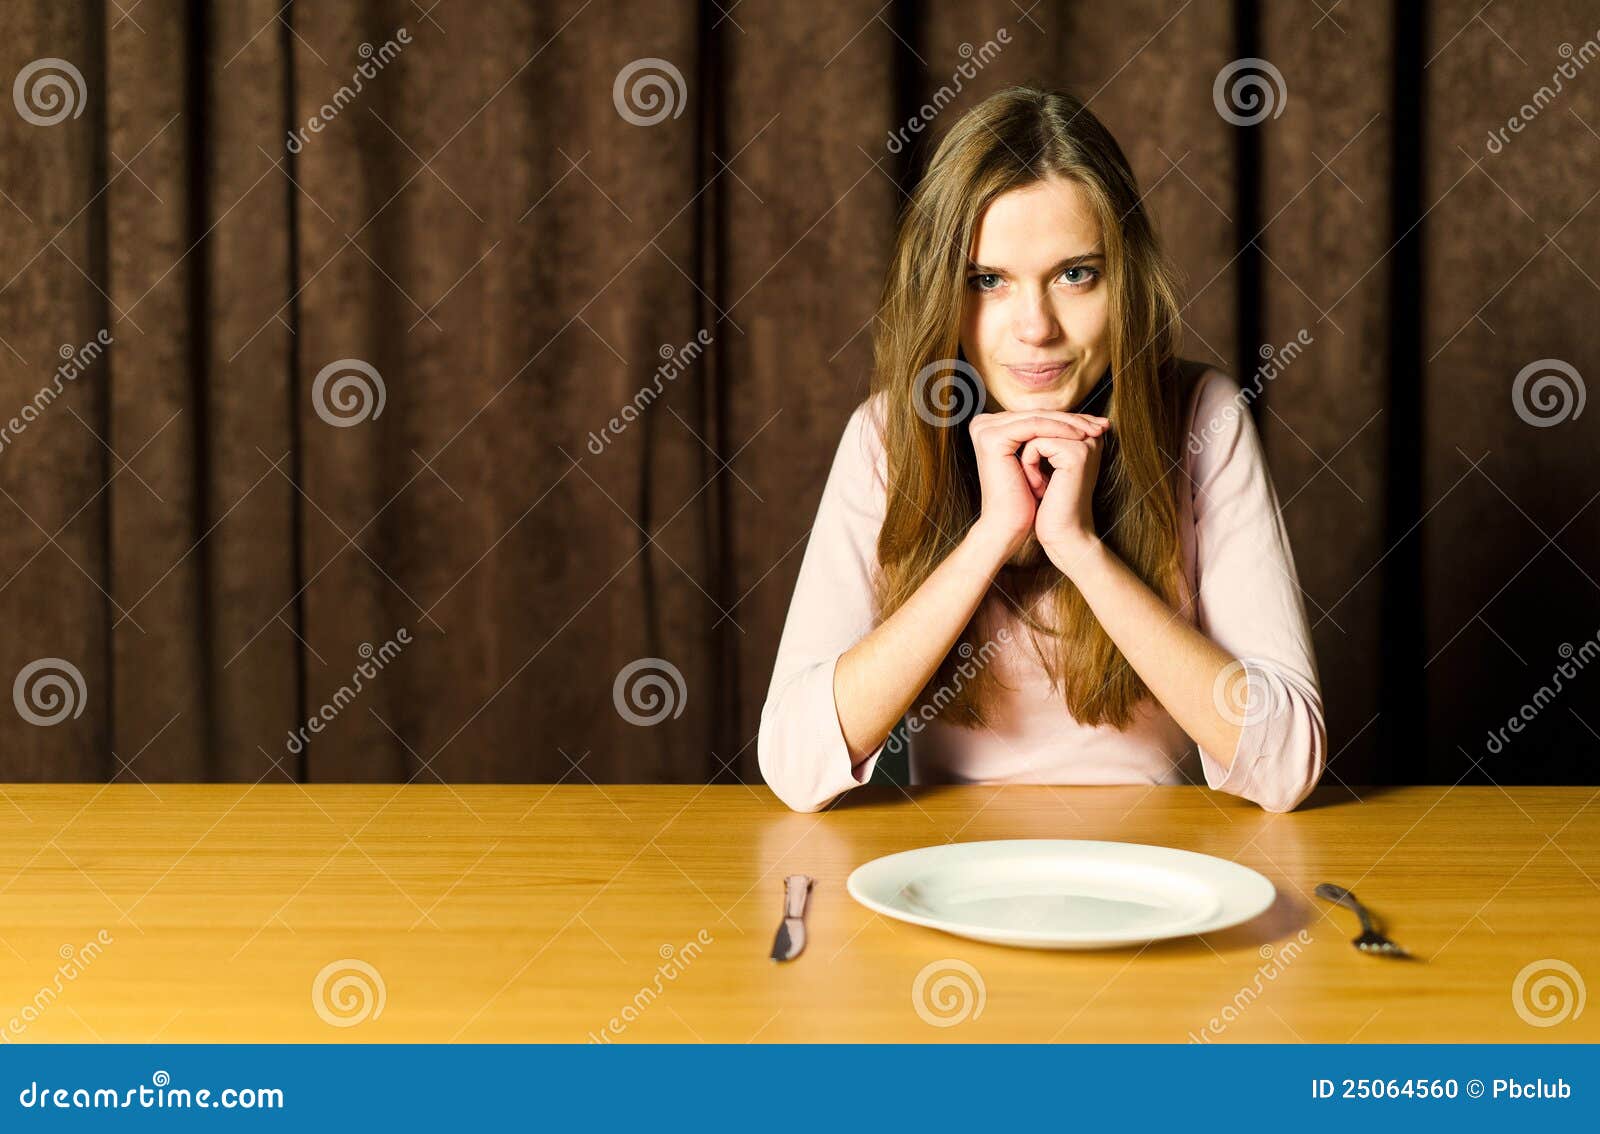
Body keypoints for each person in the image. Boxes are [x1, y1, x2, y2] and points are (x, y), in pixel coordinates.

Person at [757, 86, 1326, 814]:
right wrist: (991, 537)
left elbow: (1285, 766)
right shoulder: (887, 434)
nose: (1035, 327)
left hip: (1161, 867)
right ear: (943, 294)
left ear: (1127, 282)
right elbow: (796, 766)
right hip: (947, 871)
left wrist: (1080, 548)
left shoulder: (1202, 417)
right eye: (988, 281)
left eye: (1075, 274)